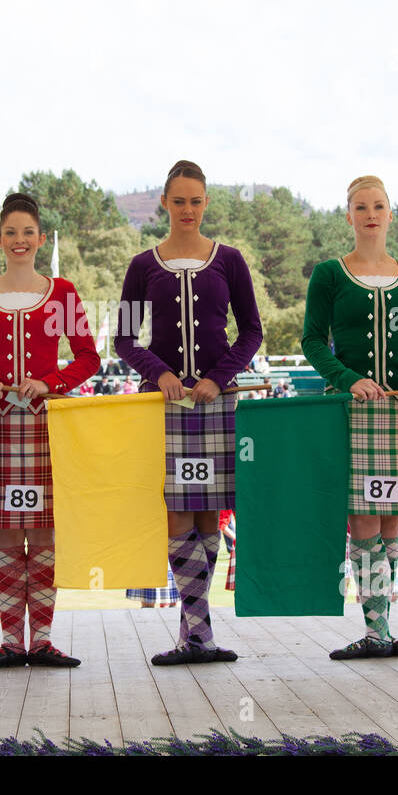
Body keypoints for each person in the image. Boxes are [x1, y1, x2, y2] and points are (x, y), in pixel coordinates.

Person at [114, 159, 263, 665]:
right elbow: (123, 338)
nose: (188, 210)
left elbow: (251, 332)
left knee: (208, 514)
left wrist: (217, 377)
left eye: (196, 201)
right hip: (163, 403)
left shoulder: (231, 261)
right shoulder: (141, 266)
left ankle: (196, 635)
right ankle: (197, 635)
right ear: (164, 203)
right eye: (179, 201)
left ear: (206, 203)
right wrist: (160, 373)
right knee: (177, 512)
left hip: (218, 401)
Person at [0, 192, 100, 669]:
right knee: (8, 537)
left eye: (28, 232)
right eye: (11, 232)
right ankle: (13, 641)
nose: (19, 240)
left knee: (45, 535)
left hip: (44, 425)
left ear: (40, 238)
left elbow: (88, 358)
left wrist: (50, 382)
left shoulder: (62, 292)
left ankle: (44, 641)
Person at [302, 175, 398, 659]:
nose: (370, 214)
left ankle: (382, 629)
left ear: (390, 214)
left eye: (378, 206)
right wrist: (345, 377)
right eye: (360, 207)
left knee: (390, 522)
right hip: (351, 407)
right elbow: (313, 340)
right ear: (348, 216)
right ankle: (374, 630)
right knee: (362, 517)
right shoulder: (329, 274)